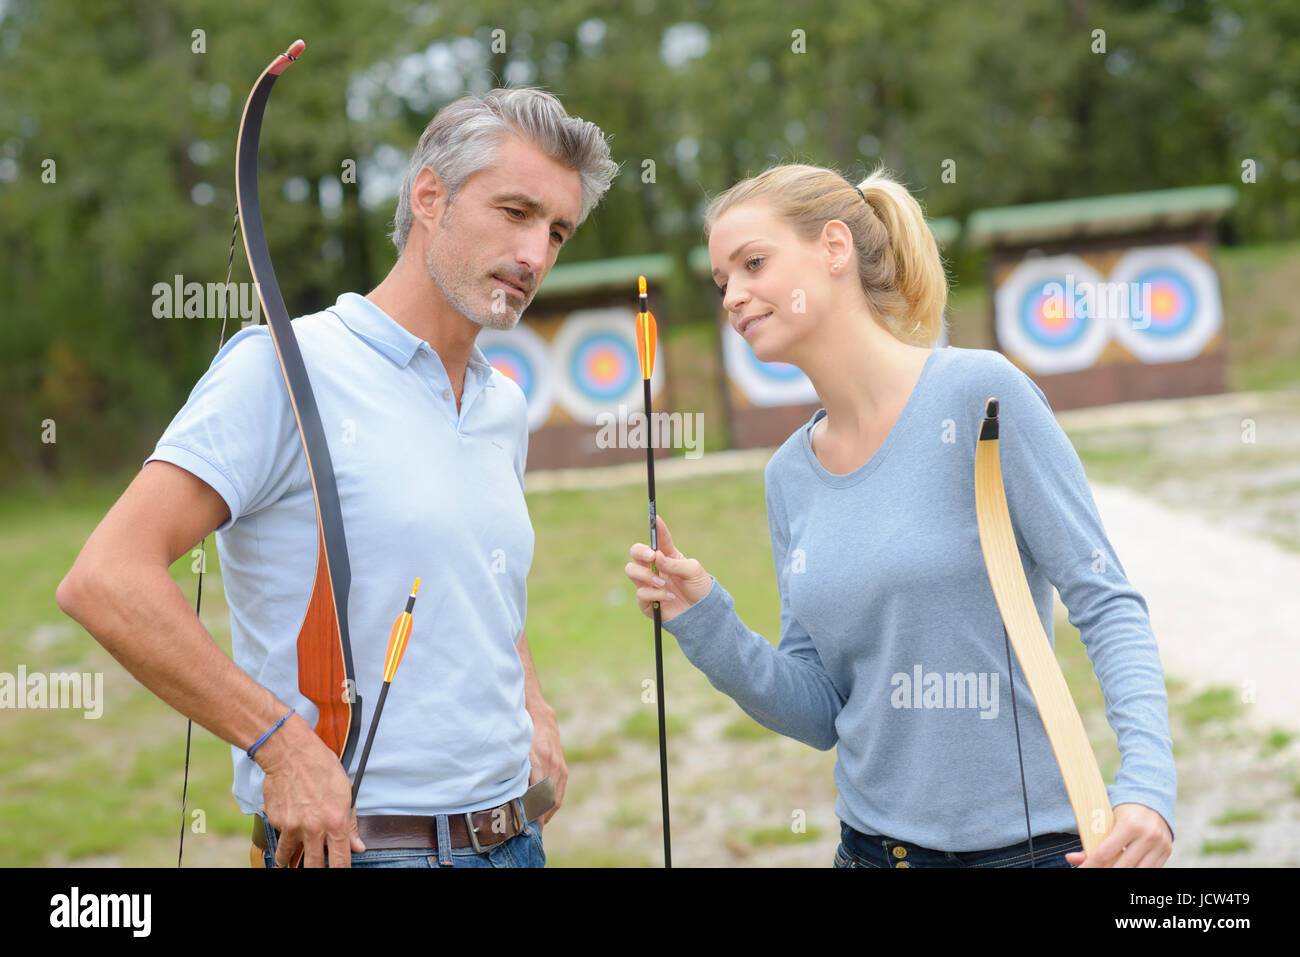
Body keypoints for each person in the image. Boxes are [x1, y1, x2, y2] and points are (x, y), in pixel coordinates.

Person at [57, 88, 618, 868]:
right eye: (516, 212)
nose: (537, 255)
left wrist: (535, 704)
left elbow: (470, 577)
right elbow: (107, 577)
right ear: (430, 196)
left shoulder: (503, 403)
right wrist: (280, 744)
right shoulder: (281, 368)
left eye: (557, 230)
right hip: (360, 851)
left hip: (512, 839)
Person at [624, 164, 1175, 868]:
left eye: (753, 263)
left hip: (1028, 851)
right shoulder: (788, 475)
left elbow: (1106, 601)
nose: (733, 294)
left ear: (833, 248)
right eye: (720, 279)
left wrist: (1149, 786)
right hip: (872, 852)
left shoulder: (981, 394)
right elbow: (821, 710)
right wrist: (705, 620)